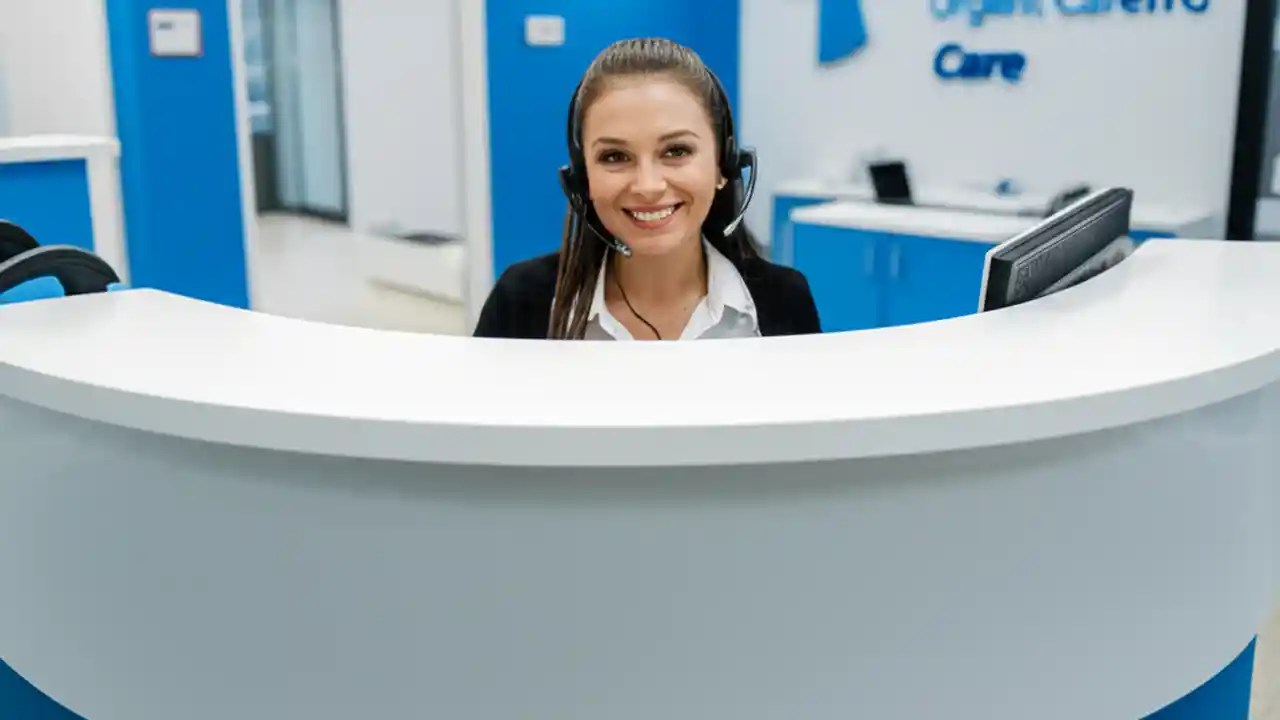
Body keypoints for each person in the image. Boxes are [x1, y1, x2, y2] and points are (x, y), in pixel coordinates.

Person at [473, 37, 821, 340]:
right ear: (582, 179)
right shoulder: (521, 299)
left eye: (676, 151)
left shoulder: (783, 299)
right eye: (614, 156)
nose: (648, 186)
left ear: (723, 165)